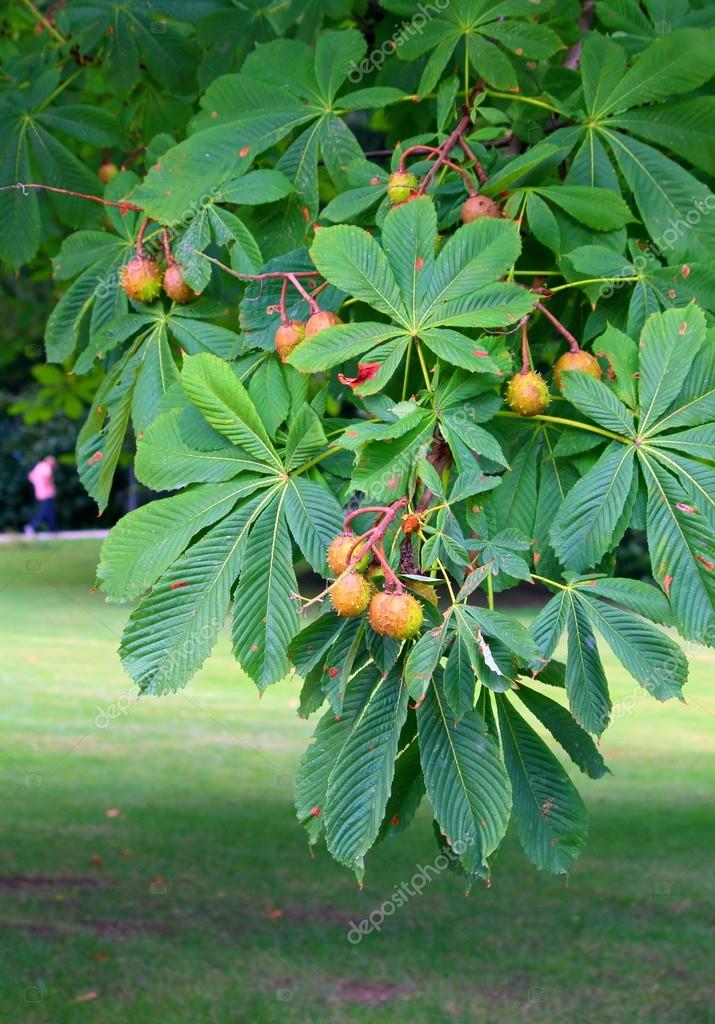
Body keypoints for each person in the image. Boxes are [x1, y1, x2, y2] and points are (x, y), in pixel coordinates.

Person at [24, 456, 58, 535]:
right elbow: (47, 479)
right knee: (46, 511)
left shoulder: (38, 467)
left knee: (49, 511)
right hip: (47, 493)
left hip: (40, 492)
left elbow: (30, 476)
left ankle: (53, 529)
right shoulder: (46, 468)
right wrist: (51, 489)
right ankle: (31, 526)